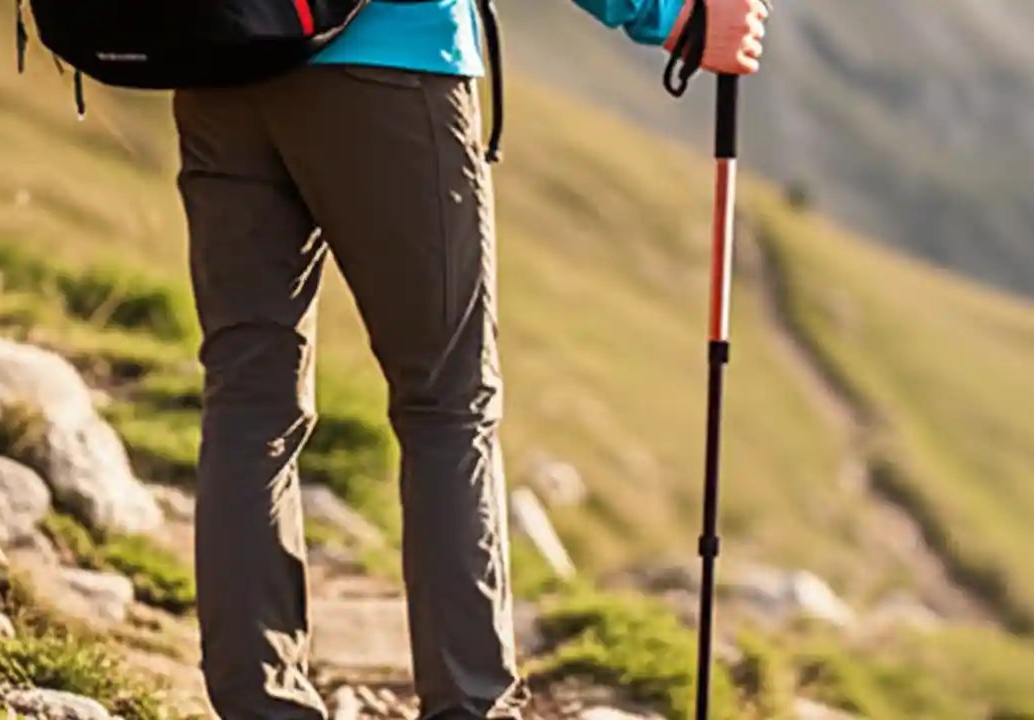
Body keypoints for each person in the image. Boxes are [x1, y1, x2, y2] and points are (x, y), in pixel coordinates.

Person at [173, 0, 769, 717]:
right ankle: (468, 703)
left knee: (247, 400)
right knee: (447, 407)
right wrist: (668, 13)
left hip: (220, 58)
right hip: (390, 66)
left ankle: (259, 704)